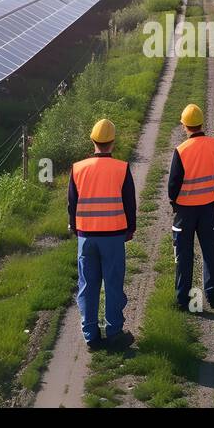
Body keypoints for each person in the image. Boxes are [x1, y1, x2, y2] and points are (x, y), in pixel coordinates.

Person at [68, 119, 136, 351]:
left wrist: (75, 228)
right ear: (112, 142)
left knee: (87, 285)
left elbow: (72, 204)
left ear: (93, 140)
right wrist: (131, 229)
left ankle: (91, 336)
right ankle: (114, 332)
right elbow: (130, 203)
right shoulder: (121, 168)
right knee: (113, 284)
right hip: (114, 236)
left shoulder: (78, 168)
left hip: (86, 236)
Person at [166, 103, 214, 311]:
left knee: (184, 255)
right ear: (202, 123)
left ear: (184, 126)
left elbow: (173, 185)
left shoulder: (181, 151)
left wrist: (175, 204)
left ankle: (183, 299)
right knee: (211, 252)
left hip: (185, 211)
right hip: (209, 208)